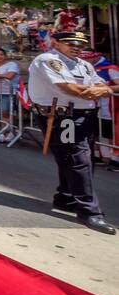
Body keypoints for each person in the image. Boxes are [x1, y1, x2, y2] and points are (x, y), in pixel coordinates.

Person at [27, 27, 114, 234]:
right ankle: (89, 211)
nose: (77, 48)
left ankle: (65, 197)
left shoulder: (83, 64)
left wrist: (103, 89)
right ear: (56, 43)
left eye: (80, 45)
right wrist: (98, 91)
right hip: (63, 116)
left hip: (84, 116)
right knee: (78, 159)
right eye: (71, 44)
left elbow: (103, 86)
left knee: (79, 159)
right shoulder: (48, 60)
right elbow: (68, 88)